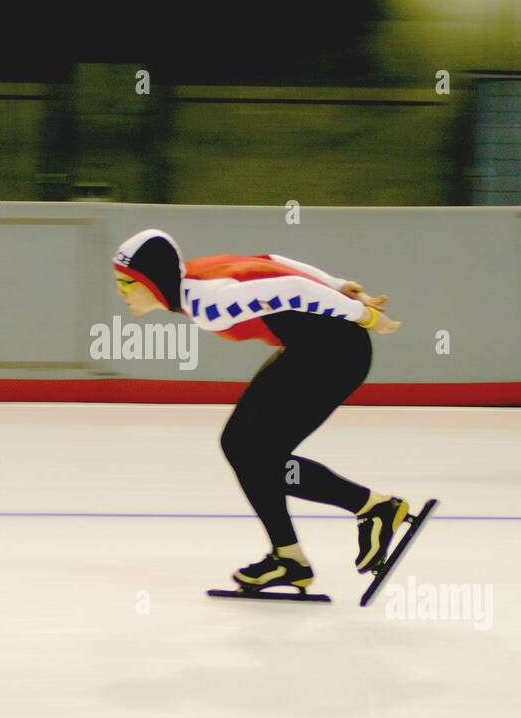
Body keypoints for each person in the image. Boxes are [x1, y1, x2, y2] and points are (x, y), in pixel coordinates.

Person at [112, 228, 405, 594]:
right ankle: (289, 557)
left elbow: (292, 290)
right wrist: (338, 283)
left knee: (261, 458)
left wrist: (363, 314)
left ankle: (374, 509)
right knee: (238, 444)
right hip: (311, 349)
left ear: (151, 282)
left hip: (336, 356)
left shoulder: (208, 306)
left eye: (126, 282)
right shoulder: (196, 273)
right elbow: (272, 260)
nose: (120, 292)